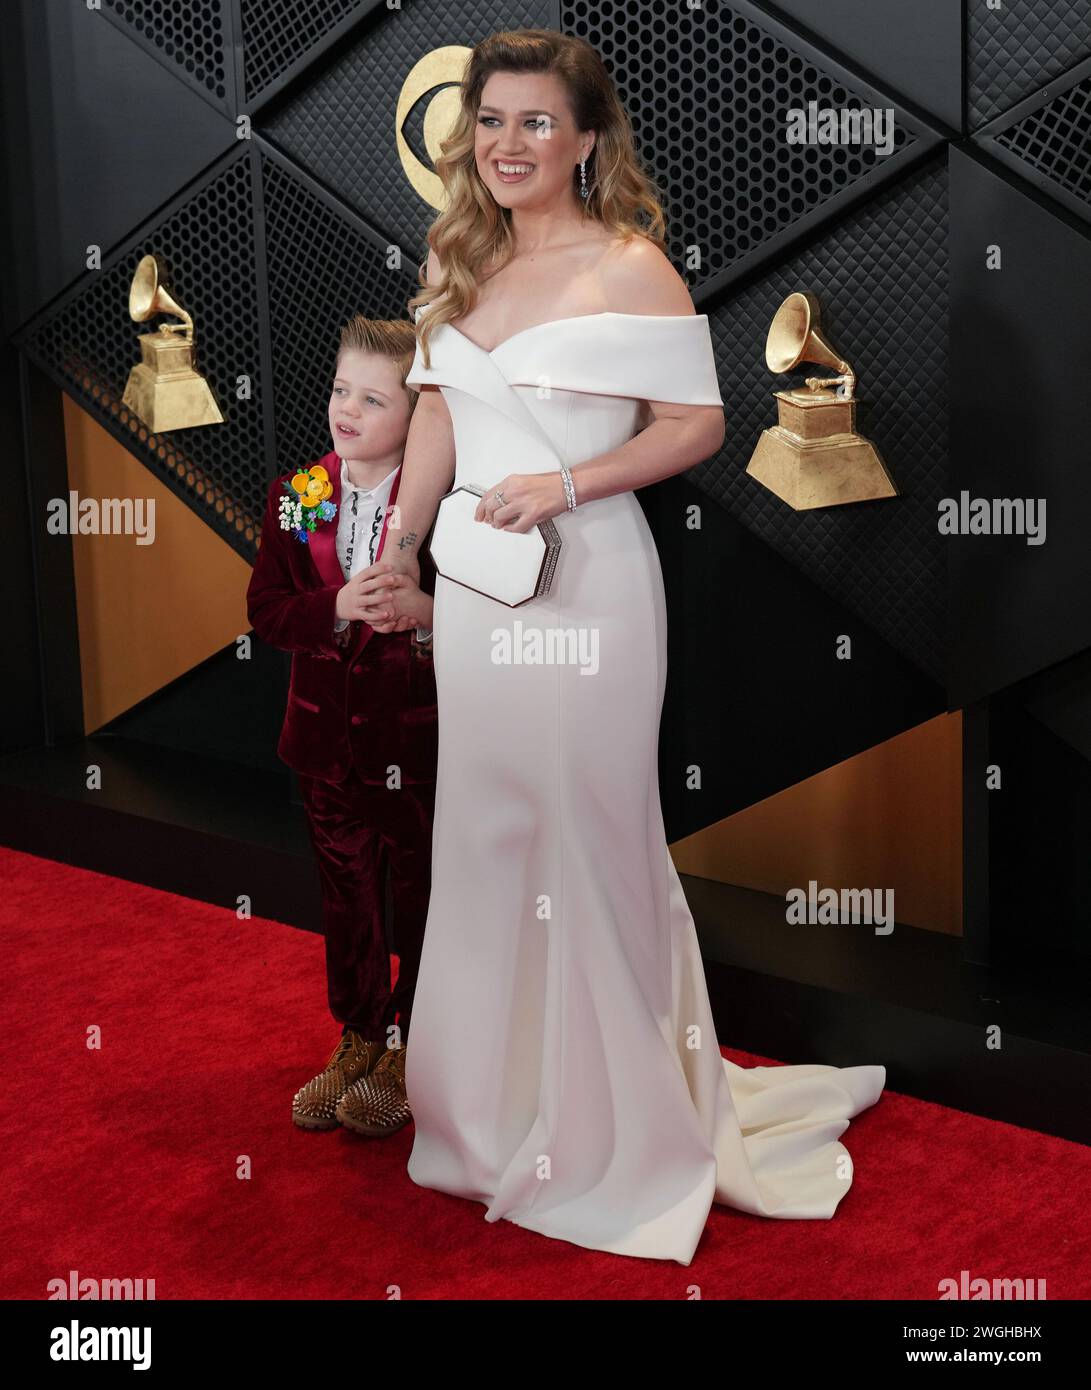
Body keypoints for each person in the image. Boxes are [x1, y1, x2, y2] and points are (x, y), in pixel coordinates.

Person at [366, 28, 886, 1264]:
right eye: (491, 121)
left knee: (586, 835)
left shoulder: (631, 265)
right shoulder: (454, 263)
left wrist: (569, 483)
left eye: (537, 123)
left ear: (587, 138)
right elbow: (435, 406)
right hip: (480, 599)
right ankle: (491, 1117)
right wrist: (398, 541)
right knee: (487, 834)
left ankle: (623, 1128)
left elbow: (697, 426)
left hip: (589, 588)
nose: (509, 144)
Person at [246, 315, 438, 1137]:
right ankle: (359, 1034)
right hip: (322, 745)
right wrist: (331, 608)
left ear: (419, 416)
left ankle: (414, 1048)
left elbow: (482, 613)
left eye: (372, 398)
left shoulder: (443, 500)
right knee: (346, 899)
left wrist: (423, 615)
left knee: (424, 898)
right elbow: (265, 610)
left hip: (418, 748)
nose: (346, 411)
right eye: (338, 390)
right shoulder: (300, 494)